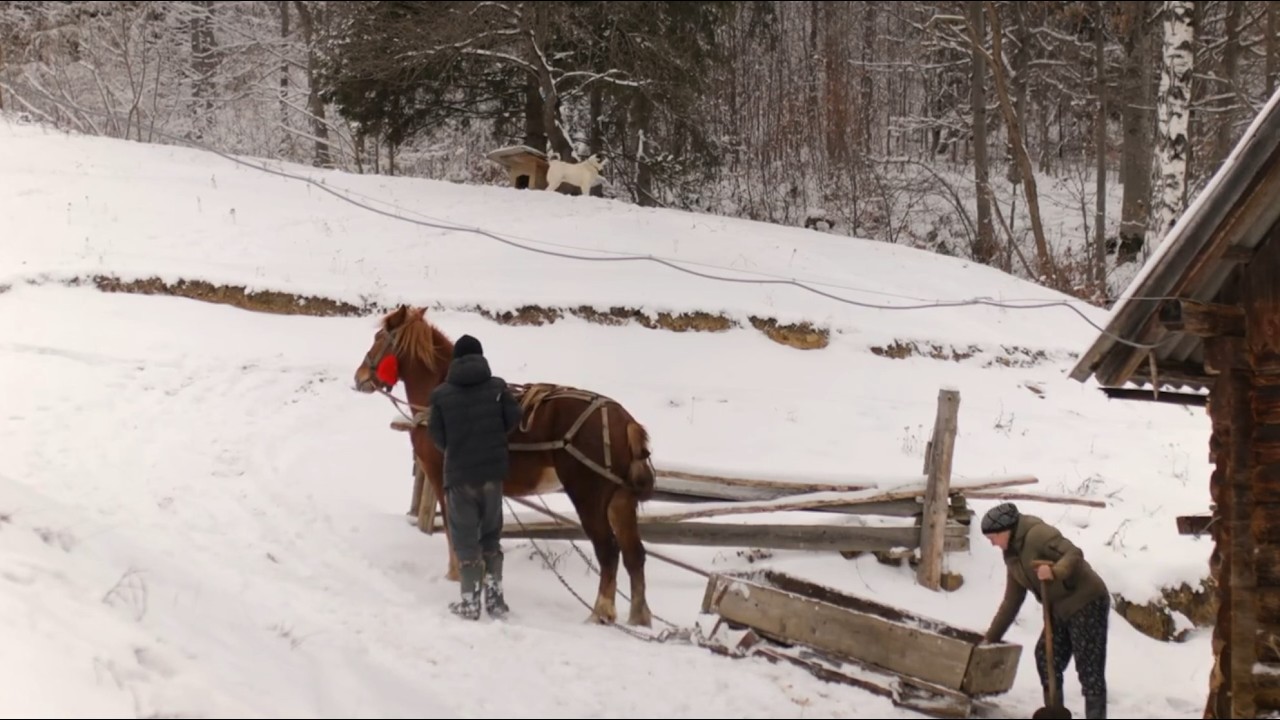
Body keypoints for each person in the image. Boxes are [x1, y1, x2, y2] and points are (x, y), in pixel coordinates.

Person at [979, 502, 1111, 719]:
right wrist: (989, 639)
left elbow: (1074, 554)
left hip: (1087, 601)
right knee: (1046, 658)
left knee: (1089, 669)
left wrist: (1054, 571)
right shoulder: (1012, 557)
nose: (992, 543)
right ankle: (1055, 712)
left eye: (993, 537)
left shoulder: (1038, 535)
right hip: (1059, 609)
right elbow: (1011, 603)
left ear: (1006, 530)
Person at [426, 334, 522, 620]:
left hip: (460, 479)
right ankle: (495, 601)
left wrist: (457, 450)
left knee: (466, 539)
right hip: (492, 476)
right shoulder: (497, 387)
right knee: (491, 536)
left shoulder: (441, 395)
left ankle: (469, 603)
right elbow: (513, 418)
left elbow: (437, 437)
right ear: (481, 357)